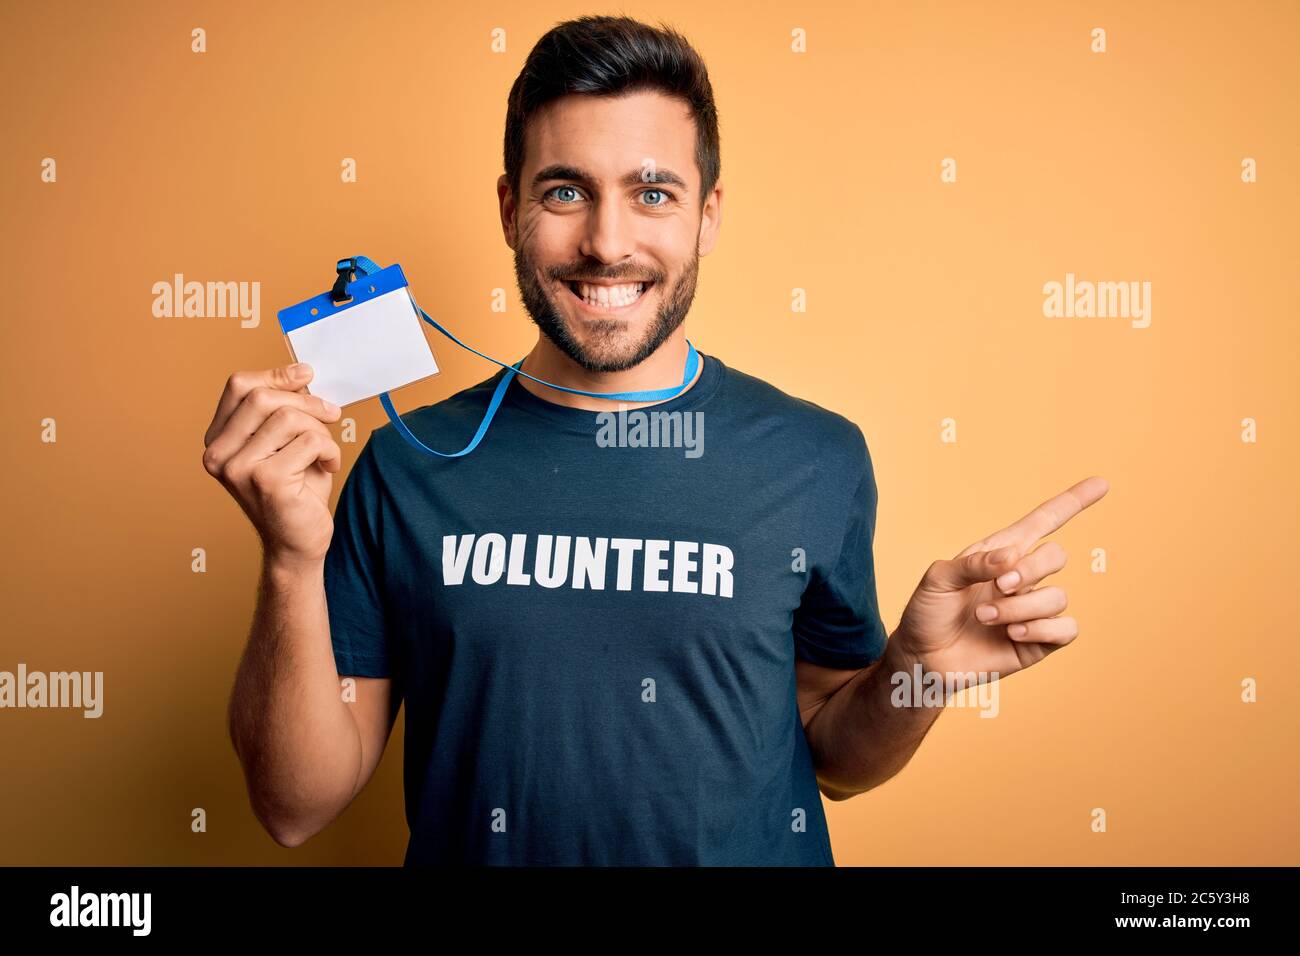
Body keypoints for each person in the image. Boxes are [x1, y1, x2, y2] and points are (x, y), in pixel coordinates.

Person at [203, 14, 1107, 865]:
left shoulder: (817, 457)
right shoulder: (404, 468)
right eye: (566, 192)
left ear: (708, 213)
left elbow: (834, 759)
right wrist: (289, 559)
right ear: (511, 207)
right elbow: (295, 809)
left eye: (652, 193)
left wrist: (915, 677)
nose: (607, 241)